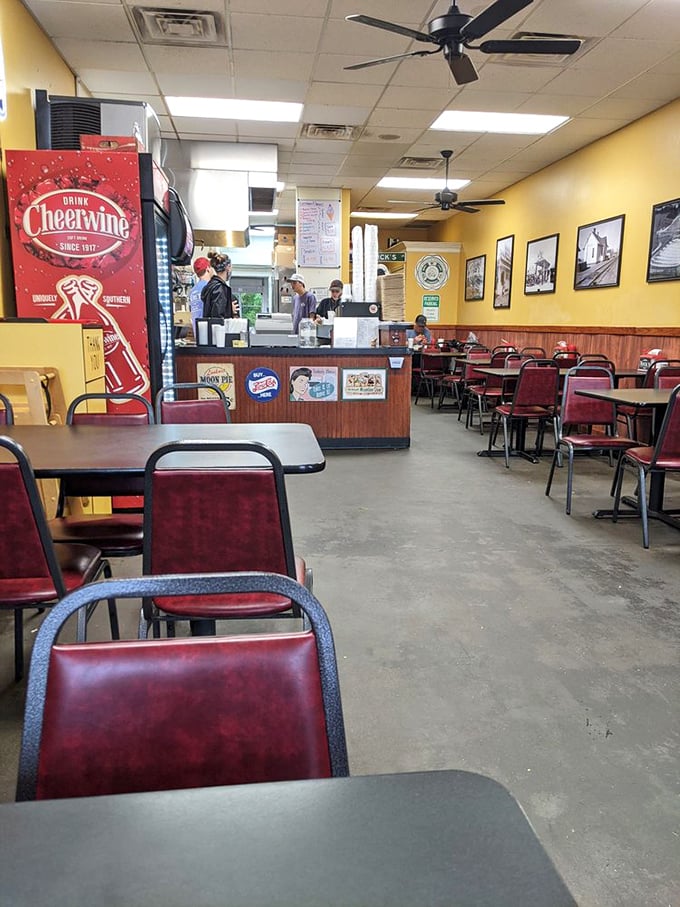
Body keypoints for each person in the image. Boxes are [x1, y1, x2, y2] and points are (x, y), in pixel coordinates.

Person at [201, 252, 239, 319]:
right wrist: (229, 310)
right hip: (217, 329)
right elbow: (217, 318)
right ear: (228, 267)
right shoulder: (219, 288)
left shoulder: (210, 286)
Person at [187, 257, 212, 335]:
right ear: (208, 269)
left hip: (197, 334)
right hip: (209, 334)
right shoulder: (209, 288)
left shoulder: (192, 291)